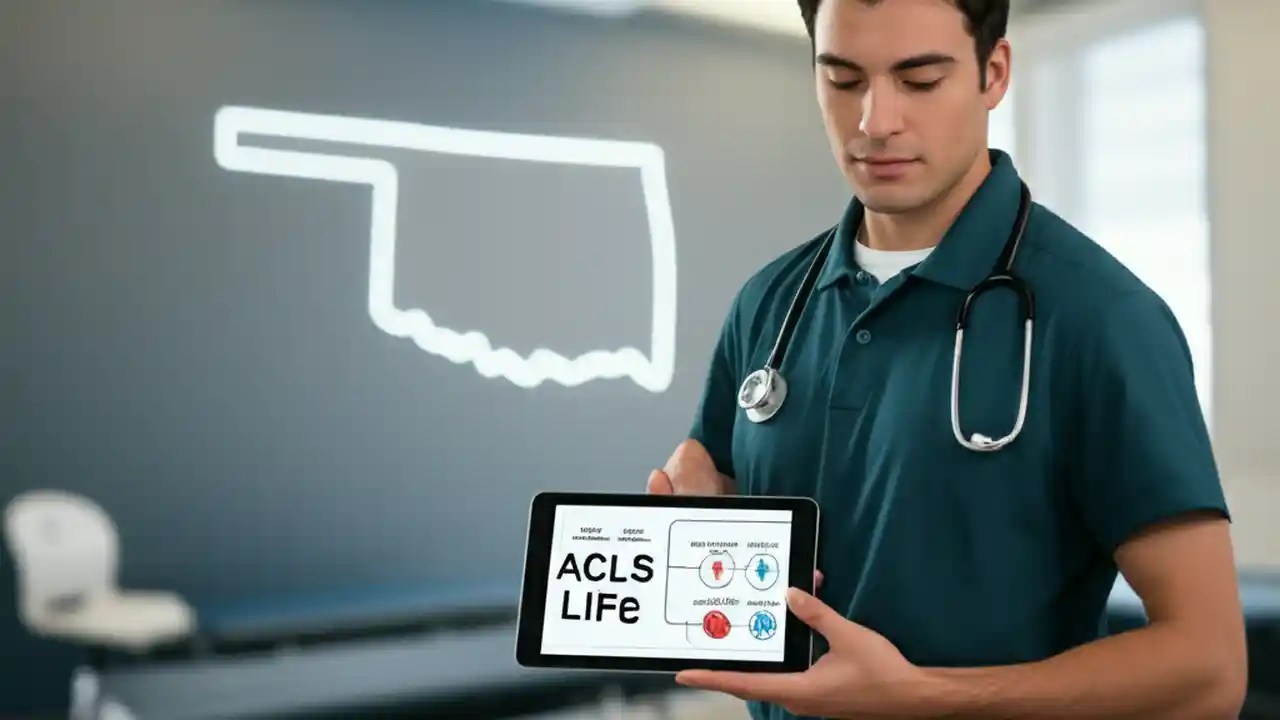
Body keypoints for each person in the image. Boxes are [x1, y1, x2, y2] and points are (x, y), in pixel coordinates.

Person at [647, 0, 1247, 718]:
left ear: (993, 73)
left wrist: (926, 698)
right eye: (843, 81)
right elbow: (713, 479)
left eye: (920, 81)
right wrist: (697, 502)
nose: (875, 122)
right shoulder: (770, 303)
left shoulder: (1102, 318)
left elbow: (1208, 668)